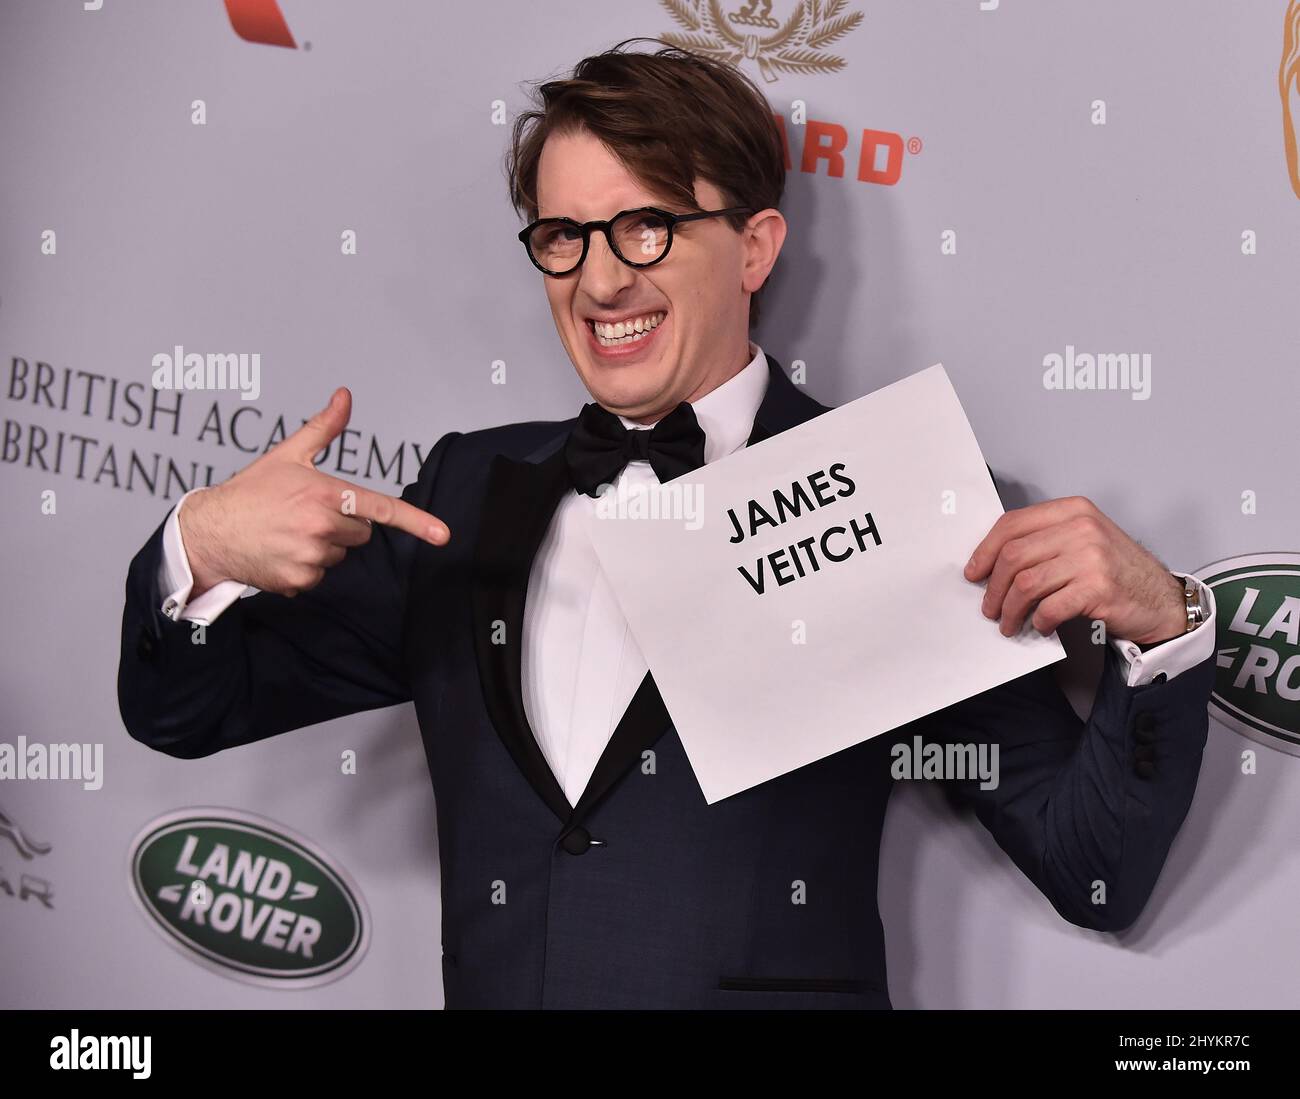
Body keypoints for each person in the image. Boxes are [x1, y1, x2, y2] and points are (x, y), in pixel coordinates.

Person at [118, 40, 1217, 1009]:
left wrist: (1161, 629)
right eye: (561, 235)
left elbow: (1096, 871)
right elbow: (184, 708)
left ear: (753, 247)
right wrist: (198, 550)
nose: (598, 279)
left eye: (645, 226)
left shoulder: (889, 491)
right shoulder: (463, 486)